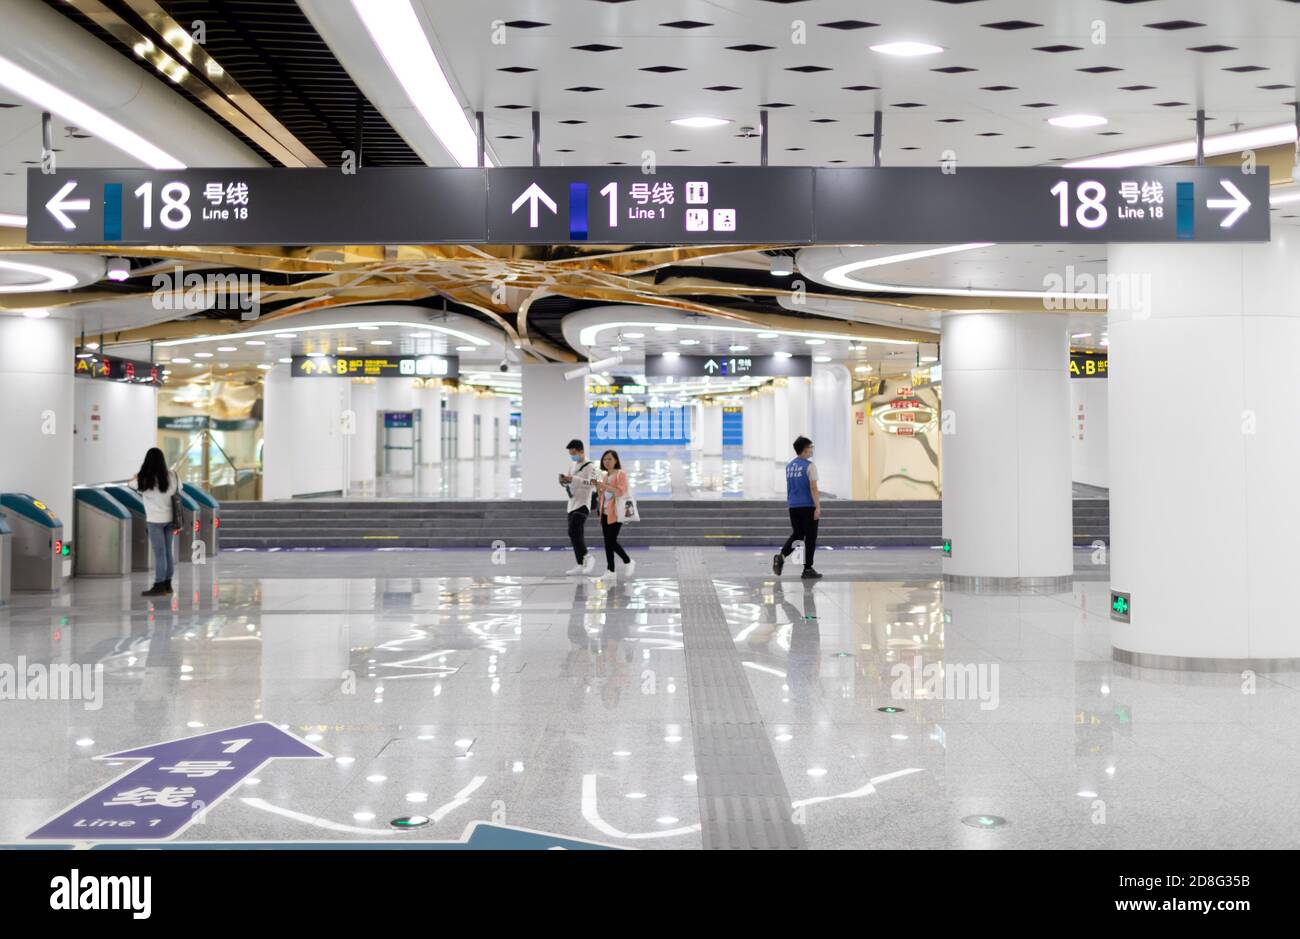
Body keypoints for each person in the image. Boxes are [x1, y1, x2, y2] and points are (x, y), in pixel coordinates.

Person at [773, 435, 822, 580]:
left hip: (793, 506)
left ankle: (781, 555)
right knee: (810, 537)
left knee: (798, 535)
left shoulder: (789, 466)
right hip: (807, 506)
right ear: (804, 449)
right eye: (810, 447)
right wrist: (817, 507)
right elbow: (813, 488)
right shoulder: (810, 466)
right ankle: (807, 569)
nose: (811, 450)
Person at [131, 447, 177, 597]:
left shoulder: (144, 478)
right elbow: (178, 490)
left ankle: (158, 585)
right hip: (170, 519)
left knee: (159, 553)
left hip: (154, 520)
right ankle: (168, 584)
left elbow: (130, 484)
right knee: (167, 552)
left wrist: (136, 477)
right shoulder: (172, 476)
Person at [559, 438, 600, 575]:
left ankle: (588, 557)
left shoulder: (590, 466)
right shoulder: (572, 465)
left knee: (573, 531)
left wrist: (574, 479)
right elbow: (570, 482)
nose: (573, 456)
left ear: (581, 451)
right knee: (575, 534)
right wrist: (564, 481)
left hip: (583, 504)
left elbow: (594, 483)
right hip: (572, 504)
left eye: (574, 453)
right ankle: (580, 564)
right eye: (571, 454)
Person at [593, 448, 635, 584]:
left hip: (616, 512)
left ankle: (628, 560)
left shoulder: (620, 474)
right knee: (607, 543)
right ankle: (610, 570)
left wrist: (604, 486)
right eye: (605, 459)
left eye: (610, 459)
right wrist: (598, 488)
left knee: (611, 541)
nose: (607, 461)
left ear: (616, 460)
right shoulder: (604, 476)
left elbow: (621, 491)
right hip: (605, 513)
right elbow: (603, 496)